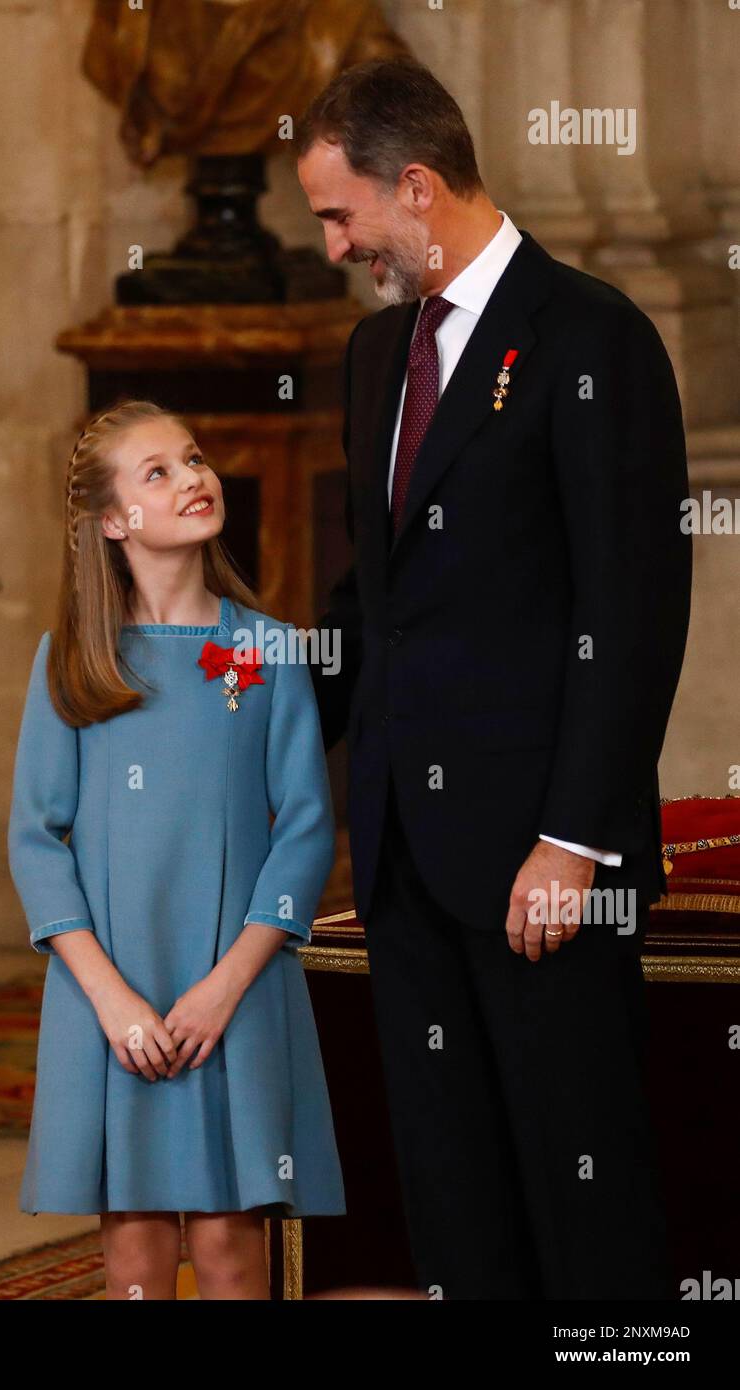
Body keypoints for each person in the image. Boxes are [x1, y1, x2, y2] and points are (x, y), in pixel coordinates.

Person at [296, 58, 692, 1299]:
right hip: (410, 865)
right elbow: (378, 604)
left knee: (588, 1215)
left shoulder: (593, 336)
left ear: (415, 187)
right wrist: (248, 701)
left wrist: (573, 840)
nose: (333, 246)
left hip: (542, 870)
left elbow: (633, 609)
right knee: (456, 1213)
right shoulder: (375, 359)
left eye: (338, 215)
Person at [7, 399, 344, 1300]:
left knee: (235, 1242)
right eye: (158, 471)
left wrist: (224, 988)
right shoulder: (73, 661)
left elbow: (305, 827)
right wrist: (114, 1001)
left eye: (193, 458)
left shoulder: (267, 651)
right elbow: (36, 840)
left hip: (235, 983)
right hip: (111, 990)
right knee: (137, 1247)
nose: (193, 477)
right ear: (114, 521)